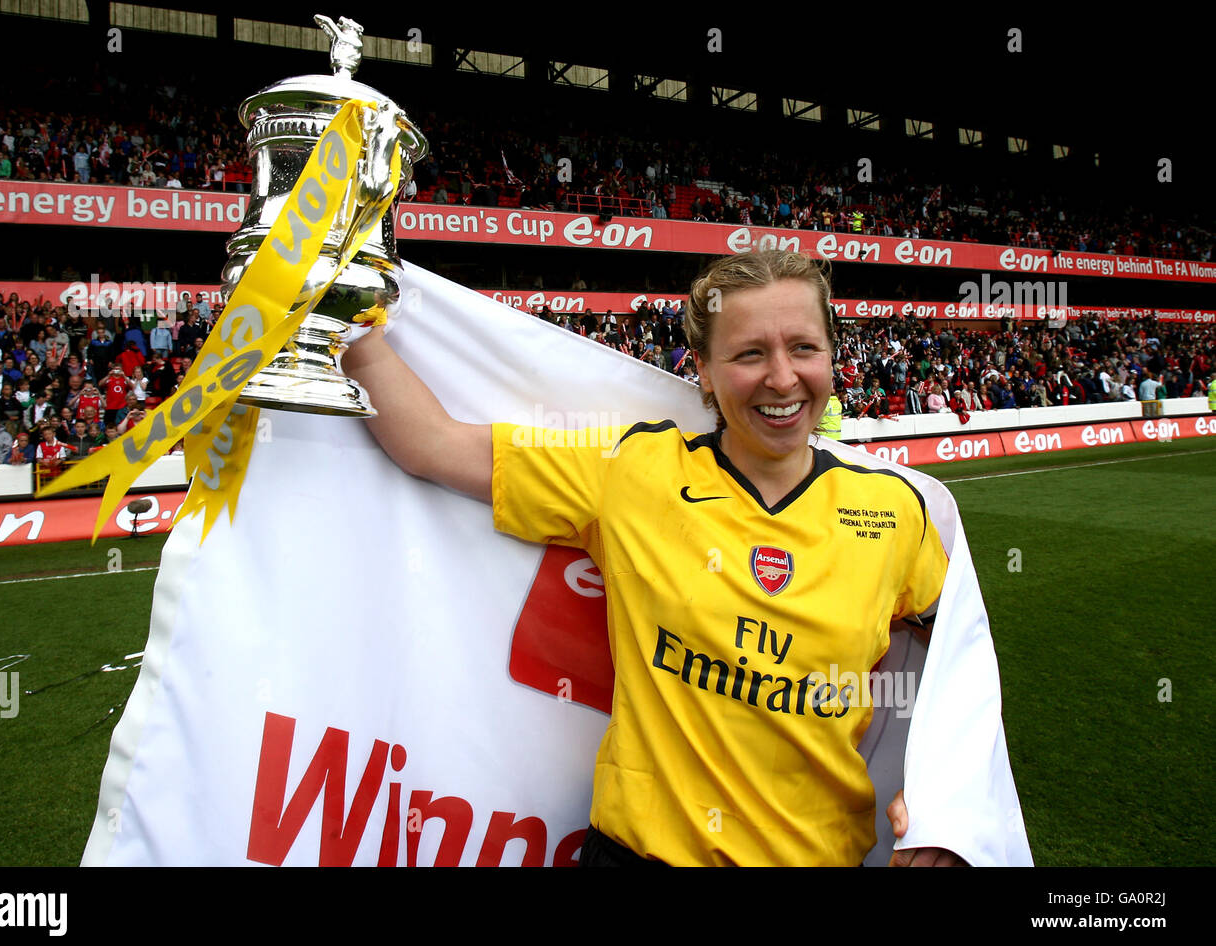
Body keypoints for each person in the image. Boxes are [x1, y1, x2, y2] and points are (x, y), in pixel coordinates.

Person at [342, 249, 962, 867]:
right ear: (705, 371)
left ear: (831, 357)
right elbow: (432, 444)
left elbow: (962, 661)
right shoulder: (637, 473)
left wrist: (949, 794)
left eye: (803, 348)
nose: (781, 378)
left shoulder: (895, 513)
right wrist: (347, 324)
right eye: (749, 353)